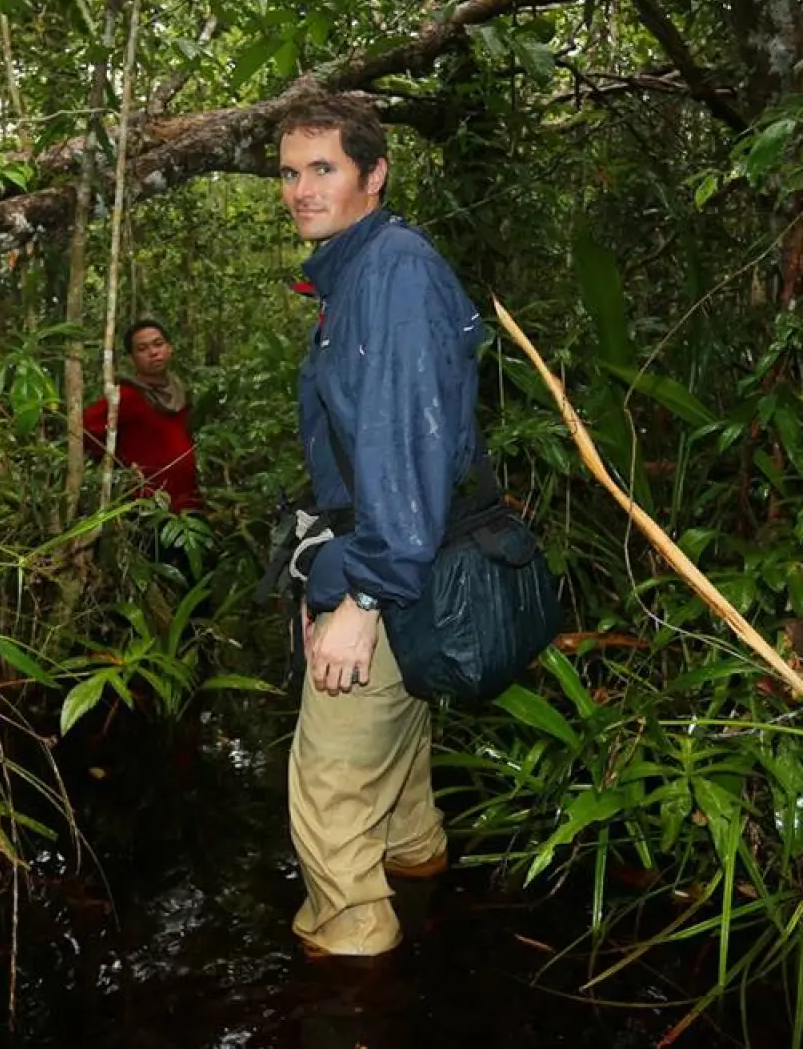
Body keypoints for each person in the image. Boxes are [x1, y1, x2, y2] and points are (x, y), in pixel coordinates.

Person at [275, 94, 487, 958]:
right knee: (397, 750)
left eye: (323, 168)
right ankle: (416, 854)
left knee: (327, 782)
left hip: (395, 563)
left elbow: (408, 440)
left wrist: (363, 595)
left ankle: (353, 949)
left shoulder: (392, 271)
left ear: (375, 174)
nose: (300, 189)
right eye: (289, 172)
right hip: (410, 553)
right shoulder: (358, 271)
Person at [81, 318, 202, 514]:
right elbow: (83, 429)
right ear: (132, 358)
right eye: (142, 348)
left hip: (189, 506)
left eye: (158, 344)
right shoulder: (126, 396)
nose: (153, 353)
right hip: (148, 509)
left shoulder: (180, 392)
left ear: (169, 348)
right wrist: (120, 467)